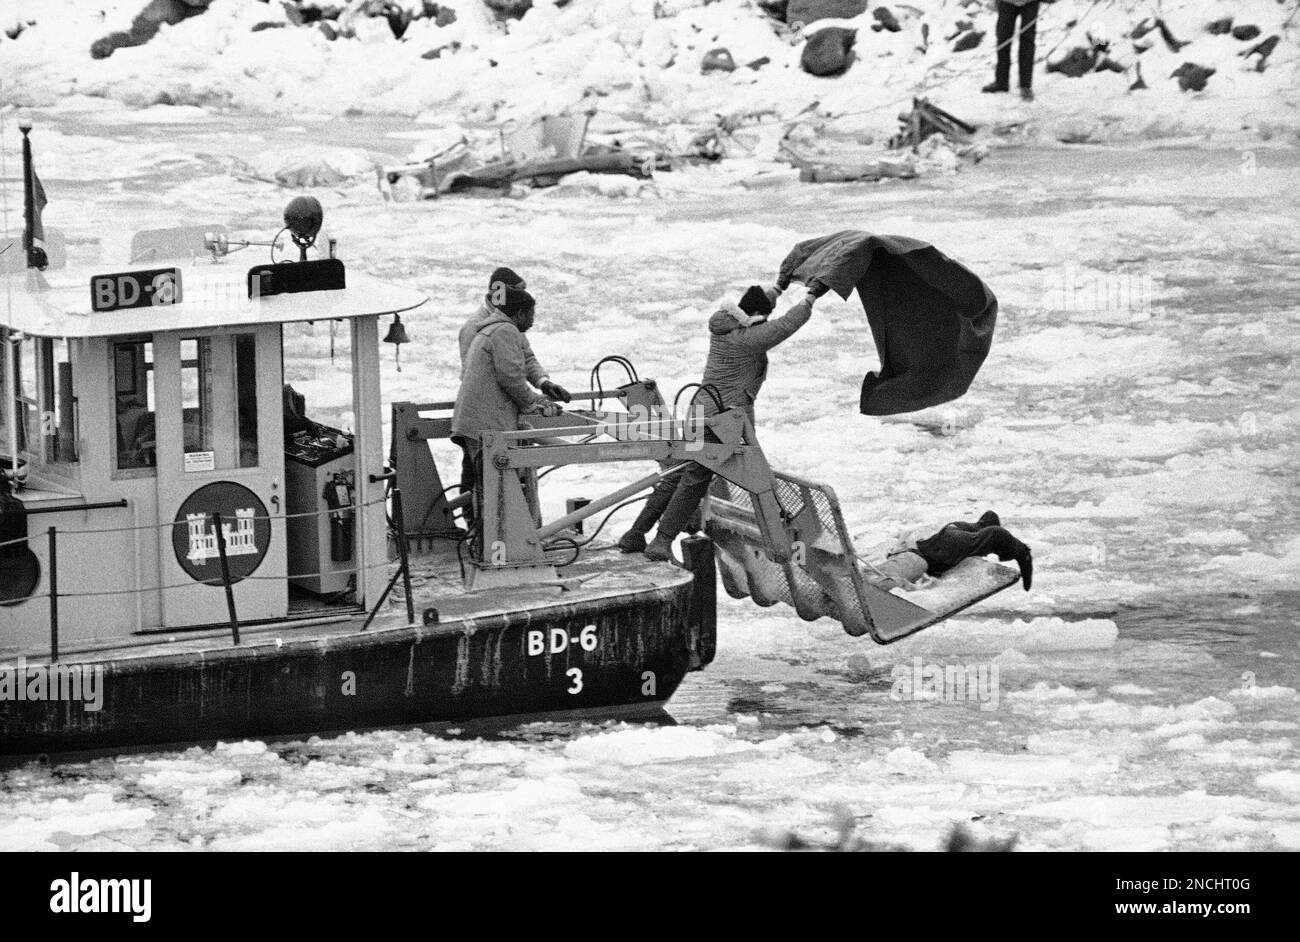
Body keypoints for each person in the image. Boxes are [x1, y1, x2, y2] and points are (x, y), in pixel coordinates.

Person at [619, 283, 821, 561]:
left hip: (702, 411)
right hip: (719, 420)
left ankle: (635, 533)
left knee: (679, 472)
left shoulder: (727, 324)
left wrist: (779, 287)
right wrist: (810, 299)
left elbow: (758, 308)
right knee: (696, 478)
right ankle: (661, 542)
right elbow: (784, 326)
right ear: (755, 317)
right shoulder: (746, 339)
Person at [454, 268, 570, 525]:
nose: (533, 319)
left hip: (488, 417)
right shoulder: (493, 329)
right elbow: (509, 376)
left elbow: (525, 359)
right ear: (517, 311)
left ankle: (497, 537)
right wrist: (532, 403)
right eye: (531, 314)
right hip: (485, 418)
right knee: (486, 484)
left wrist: (544, 383)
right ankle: (490, 536)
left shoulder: (502, 325)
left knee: (491, 484)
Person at [868, 510, 1033, 590]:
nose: (987, 554)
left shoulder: (958, 531)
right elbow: (996, 534)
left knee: (874, 578)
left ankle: (986, 525)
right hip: (920, 557)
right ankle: (1022, 551)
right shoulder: (958, 543)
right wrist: (1023, 554)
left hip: (929, 548)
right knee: (873, 581)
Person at [982, 1, 1041, 102]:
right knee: (1003, 39)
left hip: (1030, 2)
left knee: (1027, 42)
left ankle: (1025, 86)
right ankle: (1001, 82)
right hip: (1007, 2)